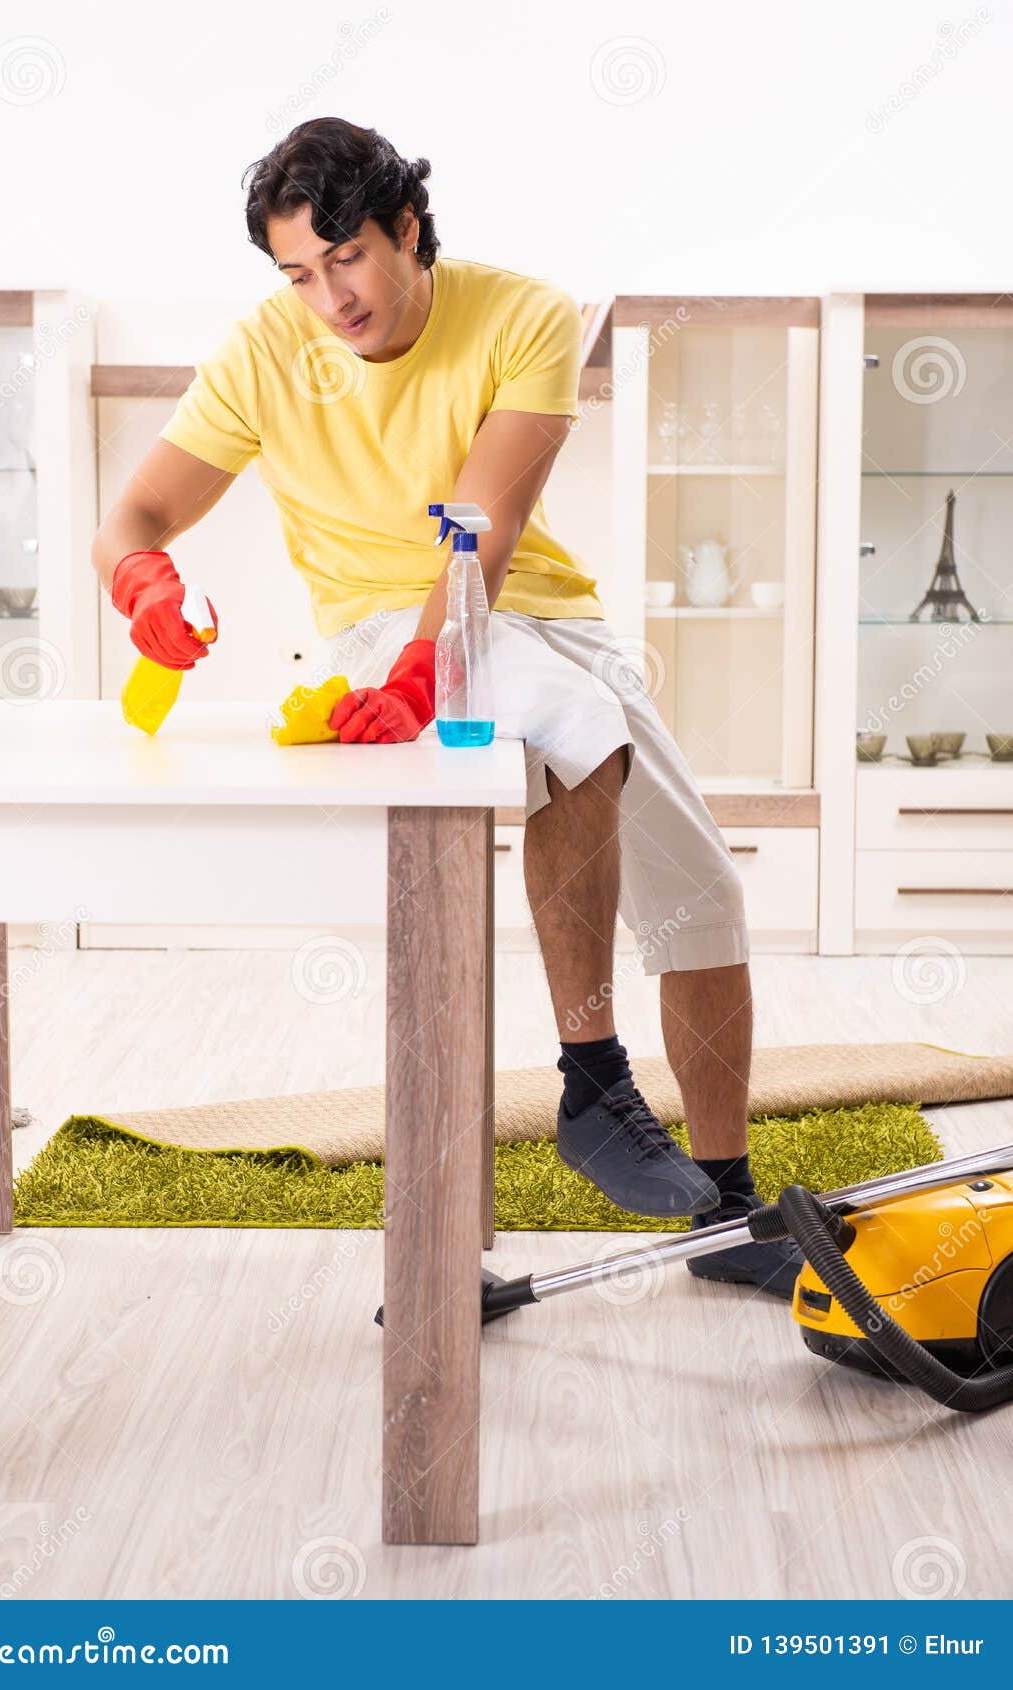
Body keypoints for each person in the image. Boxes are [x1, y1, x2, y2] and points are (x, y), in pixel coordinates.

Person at [92, 116, 800, 1297]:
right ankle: (592, 1080)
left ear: (406, 226)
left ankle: (724, 1212)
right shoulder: (265, 351)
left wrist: (438, 667)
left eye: (347, 257)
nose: (328, 297)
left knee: (707, 900)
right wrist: (141, 583)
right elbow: (139, 516)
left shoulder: (526, 314)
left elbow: (483, 534)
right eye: (298, 273)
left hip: (525, 610)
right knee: (575, 726)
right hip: (383, 621)